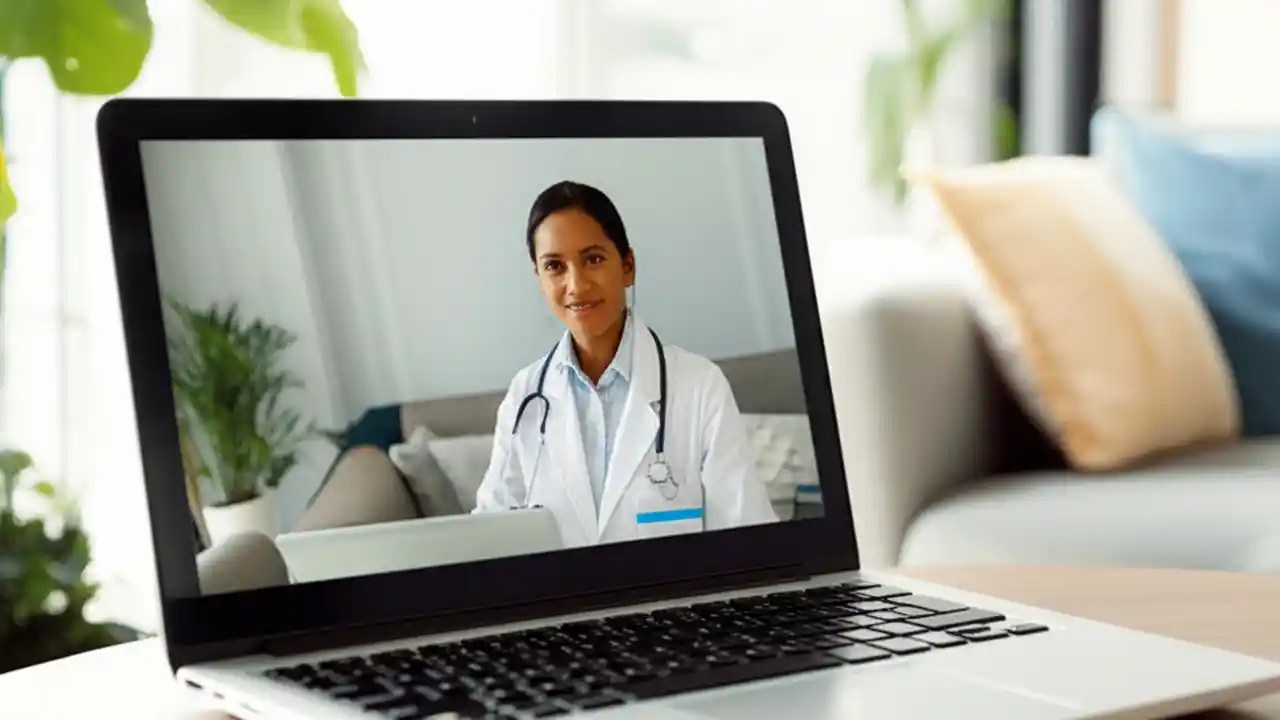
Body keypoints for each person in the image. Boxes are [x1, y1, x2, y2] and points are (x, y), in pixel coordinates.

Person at [473, 180, 777, 546]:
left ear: (627, 266)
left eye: (593, 259)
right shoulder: (525, 395)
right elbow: (488, 538)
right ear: (539, 277)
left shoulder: (700, 386)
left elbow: (750, 539)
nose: (576, 284)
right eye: (555, 266)